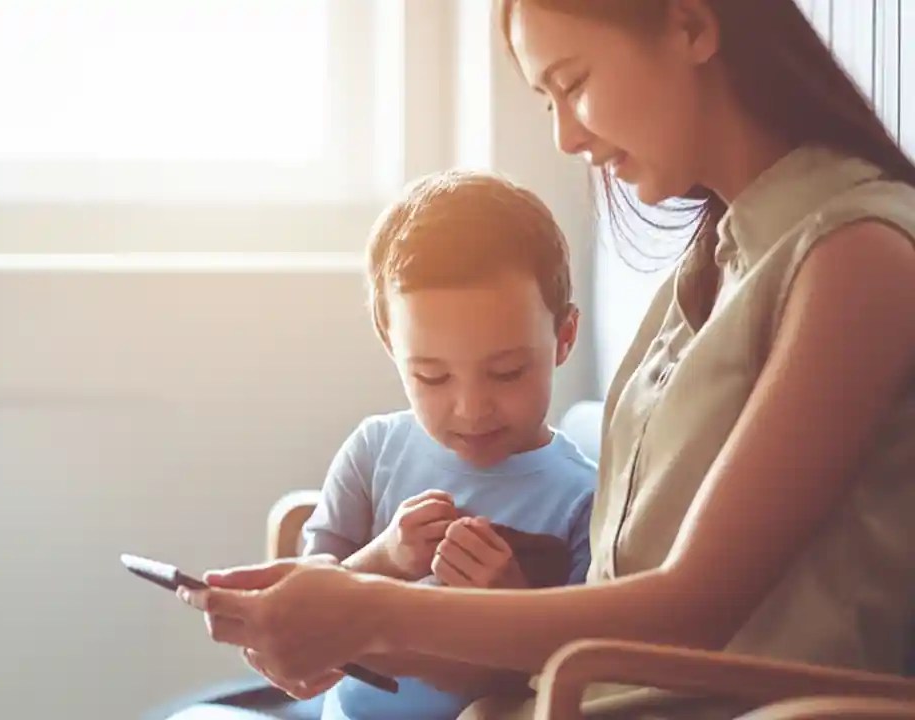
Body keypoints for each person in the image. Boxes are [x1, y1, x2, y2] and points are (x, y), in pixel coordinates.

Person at [179, 1, 915, 717]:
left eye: (574, 83)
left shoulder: (857, 254)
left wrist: (373, 611)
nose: (565, 136)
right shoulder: (719, 261)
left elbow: (694, 608)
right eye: (547, 99)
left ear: (690, 24)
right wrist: (345, 620)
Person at [299, 170, 596, 720]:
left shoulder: (582, 501)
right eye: (433, 377)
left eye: (506, 372)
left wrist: (512, 610)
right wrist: (385, 558)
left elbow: (578, 681)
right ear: (391, 343)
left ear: (564, 338)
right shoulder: (374, 454)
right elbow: (307, 606)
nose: (471, 409)